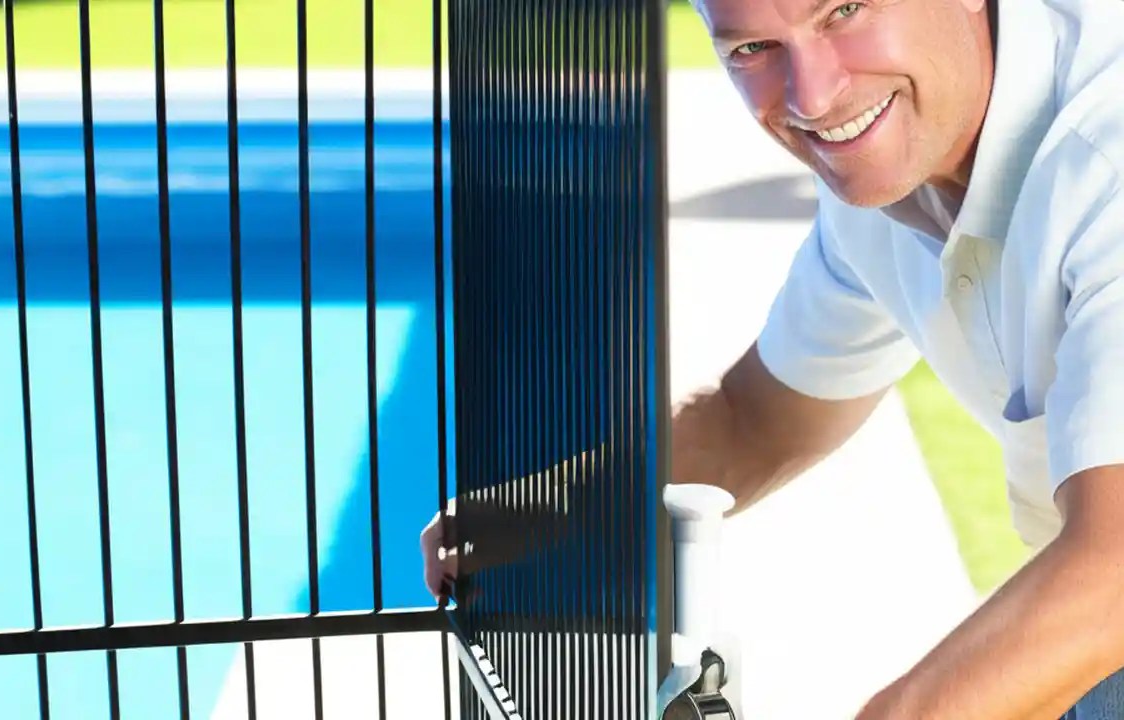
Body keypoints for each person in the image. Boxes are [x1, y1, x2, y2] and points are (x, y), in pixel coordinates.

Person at [422, 0, 1124, 715]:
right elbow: (757, 419)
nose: (812, 98)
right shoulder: (883, 170)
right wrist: (554, 512)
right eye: (752, 48)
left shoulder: (1108, 149)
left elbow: (1113, 575)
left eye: (845, 10)